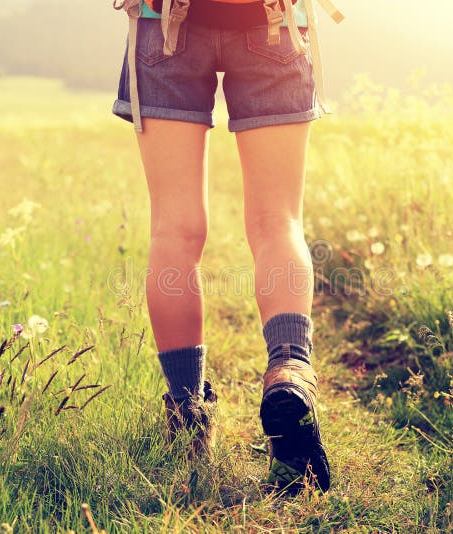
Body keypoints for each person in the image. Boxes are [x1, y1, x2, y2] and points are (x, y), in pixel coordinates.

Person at [112, 0, 333, 493]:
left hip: (166, 22)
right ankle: (290, 371)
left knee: (174, 229)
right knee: (278, 222)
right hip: (272, 20)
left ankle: (188, 413)